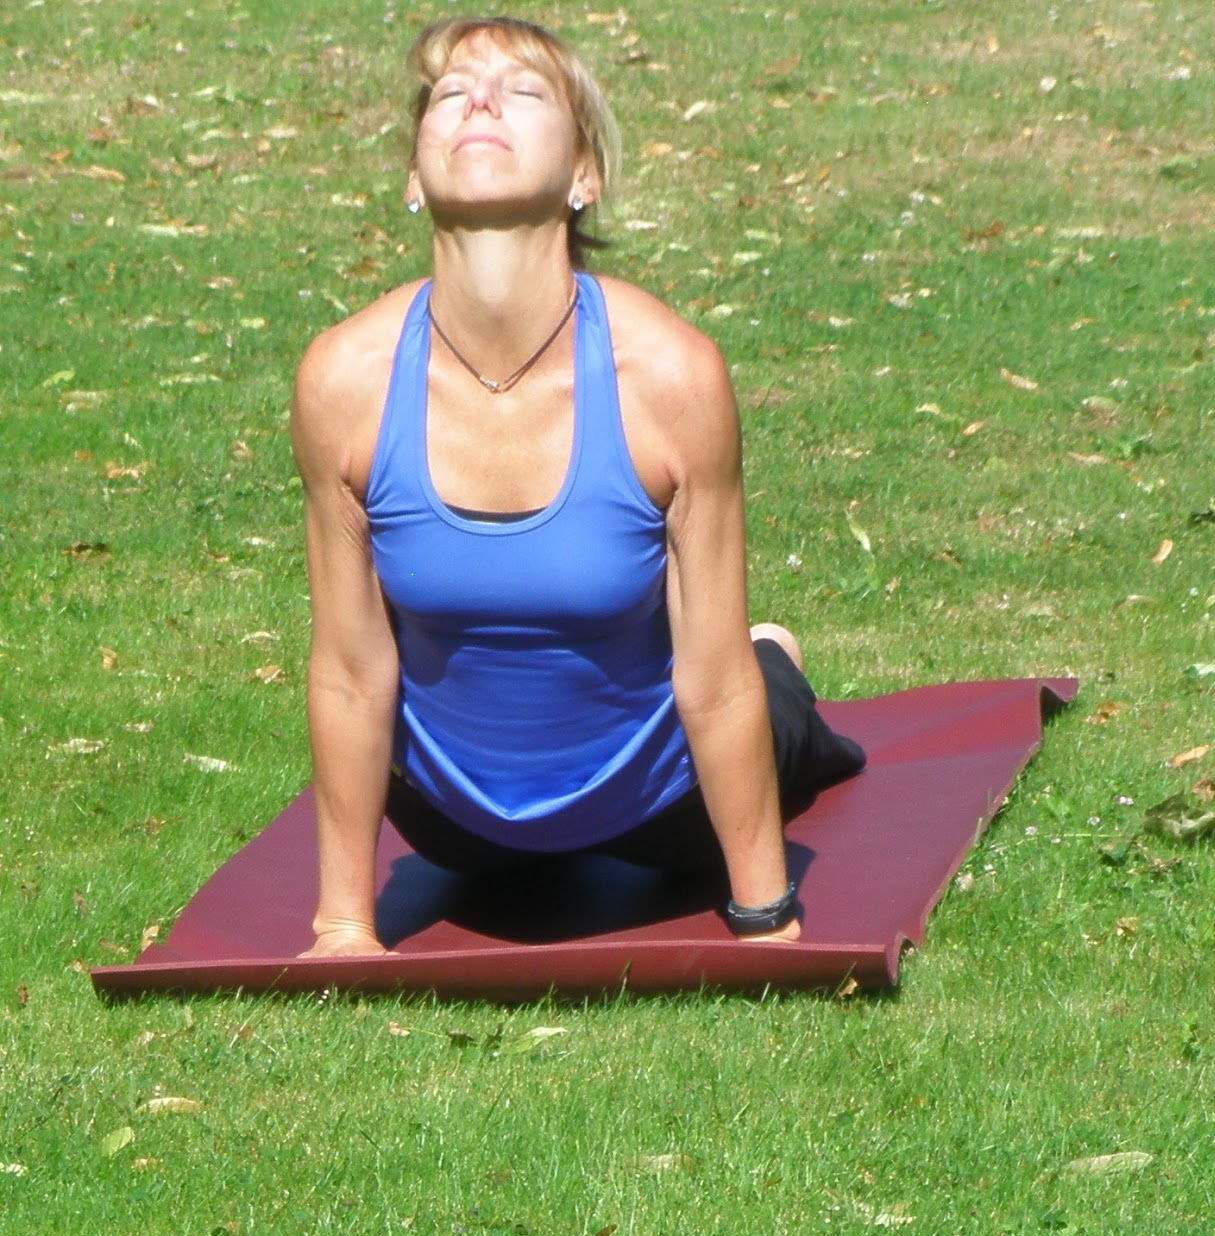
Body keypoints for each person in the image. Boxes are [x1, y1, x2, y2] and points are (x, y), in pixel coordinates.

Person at [291, 15, 864, 960]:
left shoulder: (670, 376)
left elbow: (712, 680)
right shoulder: (343, 380)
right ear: (411, 174)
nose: (478, 100)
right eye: (449, 93)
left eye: (521, 92)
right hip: (451, 818)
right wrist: (344, 929)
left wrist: (766, 918)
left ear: (584, 175)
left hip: (662, 802)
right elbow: (351, 668)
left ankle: (786, 660)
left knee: (763, 695)